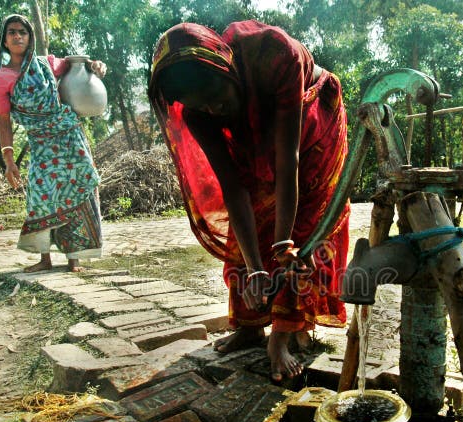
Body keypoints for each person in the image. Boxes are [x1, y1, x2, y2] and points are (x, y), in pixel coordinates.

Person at [148, 21, 350, 382]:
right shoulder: (200, 113)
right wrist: (256, 267)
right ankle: (250, 324)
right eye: (204, 107)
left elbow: (289, 162)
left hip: (311, 119)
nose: (214, 110)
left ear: (228, 69)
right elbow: (235, 190)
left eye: (219, 99)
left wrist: (283, 243)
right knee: (255, 216)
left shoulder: (274, 53)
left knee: (303, 225)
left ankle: (284, 335)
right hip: (254, 130)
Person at [0, 14, 107, 273]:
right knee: (41, 194)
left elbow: (80, 66)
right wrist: (9, 160)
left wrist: (96, 65)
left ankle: (74, 259)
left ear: (30, 37)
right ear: (5, 41)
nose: (18, 36)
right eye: (12, 32)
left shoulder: (47, 64)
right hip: (41, 142)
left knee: (79, 187)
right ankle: (44, 259)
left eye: (22, 31)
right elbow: (4, 121)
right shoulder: (1, 78)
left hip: (68, 135)